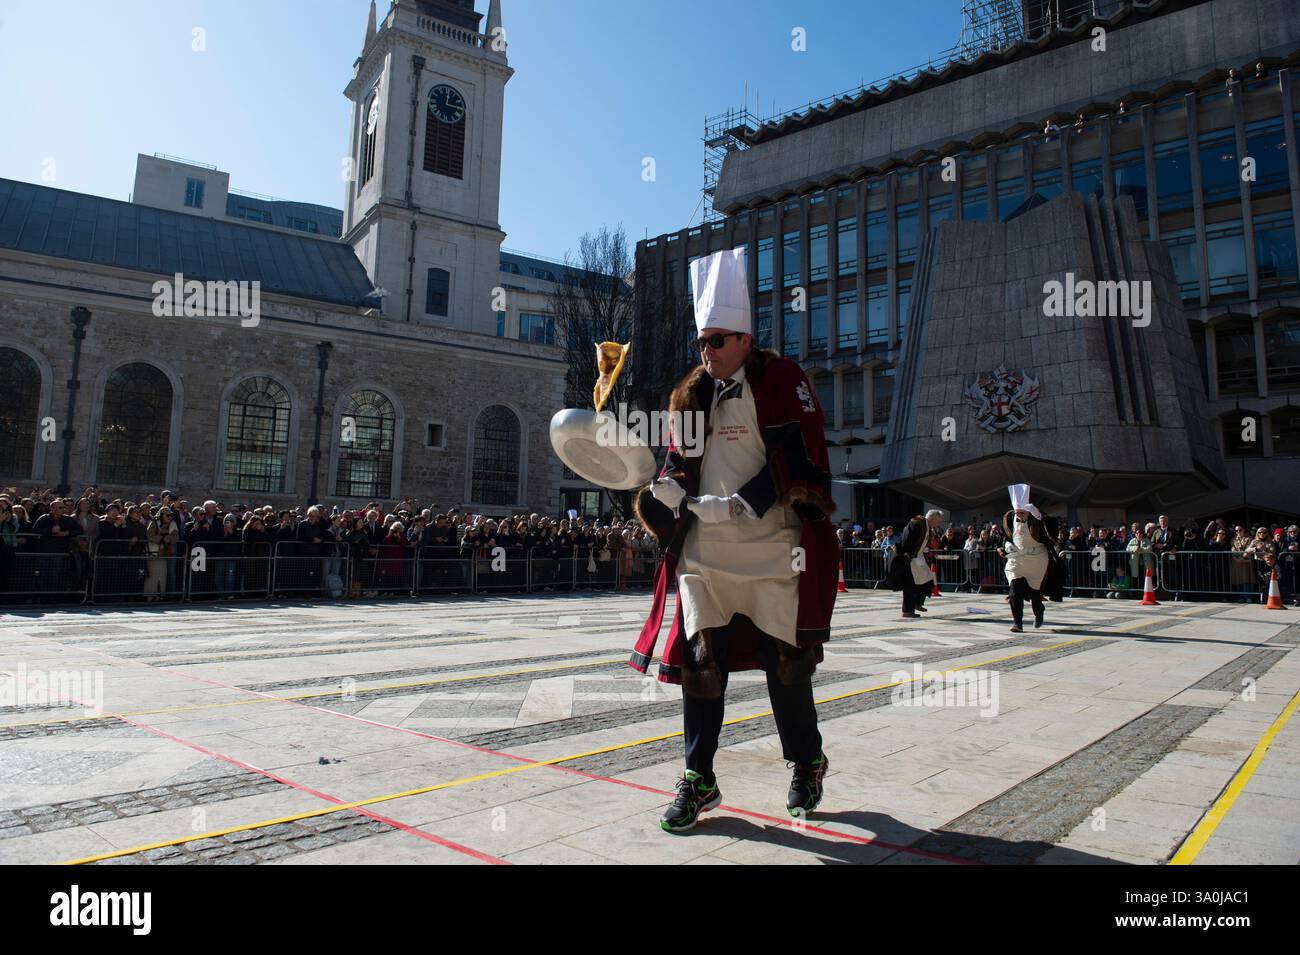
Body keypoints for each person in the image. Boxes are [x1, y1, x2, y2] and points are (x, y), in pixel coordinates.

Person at [632, 247, 838, 831]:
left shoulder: (783, 380)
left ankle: (806, 760)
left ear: (746, 338)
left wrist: (741, 502)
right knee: (702, 663)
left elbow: (800, 460)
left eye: (718, 340)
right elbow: (678, 458)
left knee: (786, 664)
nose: (708, 352)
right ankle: (699, 778)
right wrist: (667, 489)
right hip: (706, 553)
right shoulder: (691, 394)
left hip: (774, 545)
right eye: (703, 342)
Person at [1000, 488, 1054, 632]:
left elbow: (1053, 535)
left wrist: (1041, 517)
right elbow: (1004, 535)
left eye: (1022, 513)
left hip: (1036, 559)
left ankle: (1039, 610)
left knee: (1035, 594)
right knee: (1014, 591)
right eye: (1017, 513)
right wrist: (1007, 544)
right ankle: (1017, 622)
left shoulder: (1037, 518)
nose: (1020, 516)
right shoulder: (1009, 517)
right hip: (1017, 558)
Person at [889, 509, 942, 618]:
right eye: (937, 521)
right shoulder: (917, 522)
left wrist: (924, 549)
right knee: (909, 584)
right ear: (932, 517)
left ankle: (917, 603)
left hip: (917, 557)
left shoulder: (928, 527)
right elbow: (906, 538)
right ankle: (907, 611)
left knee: (927, 579)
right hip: (907, 557)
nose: (938, 524)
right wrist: (907, 554)